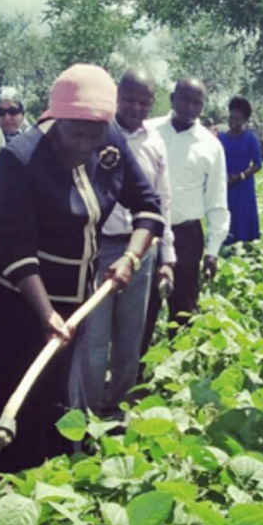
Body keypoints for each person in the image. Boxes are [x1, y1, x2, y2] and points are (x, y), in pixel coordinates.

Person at [0, 64, 163, 475]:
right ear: (56, 119)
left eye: (93, 134)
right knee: (25, 375)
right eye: (76, 134)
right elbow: (16, 246)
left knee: (63, 383)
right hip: (25, 292)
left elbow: (148, 208)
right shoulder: (21, 157)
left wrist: (130, 257)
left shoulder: (110, 139)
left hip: (80, 290)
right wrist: (46, 313)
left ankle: (58, 470)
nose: (85, 145)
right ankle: (14, 475)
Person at [75, 69, 175, 418]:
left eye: (144, 102)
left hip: (141, 252)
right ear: (117, 97)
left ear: (152, 103)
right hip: (99, 249)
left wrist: (166, 257)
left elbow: (162, 203)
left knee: (131, 338)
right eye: (129, 99)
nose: (136, 107)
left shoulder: (155, 143)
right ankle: (88, 415)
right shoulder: (98, 134)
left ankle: (117, 410)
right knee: (94, 337)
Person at [141, 78, 229, 349]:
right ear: (172, 99)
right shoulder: (148, 131)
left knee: (183, 309)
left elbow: (216, 199)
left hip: (187, 235)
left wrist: (212, 250)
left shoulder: (210, 145)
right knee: (142, 307)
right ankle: (135, 367)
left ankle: (177, 366)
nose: (190, 107)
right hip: (146, 232)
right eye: (185, 100)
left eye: (197, 102)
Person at [220, 96, 263, 246]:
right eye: (232, 118)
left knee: (242, 214)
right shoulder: (221, 138)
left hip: (243, 185)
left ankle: (244, 244)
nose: (234, 122)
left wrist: (241, 176)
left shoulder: (249, 138)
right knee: (226, 213)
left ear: (244, 120)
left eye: (238, 119)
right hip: (226, 184)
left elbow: (258, 164)